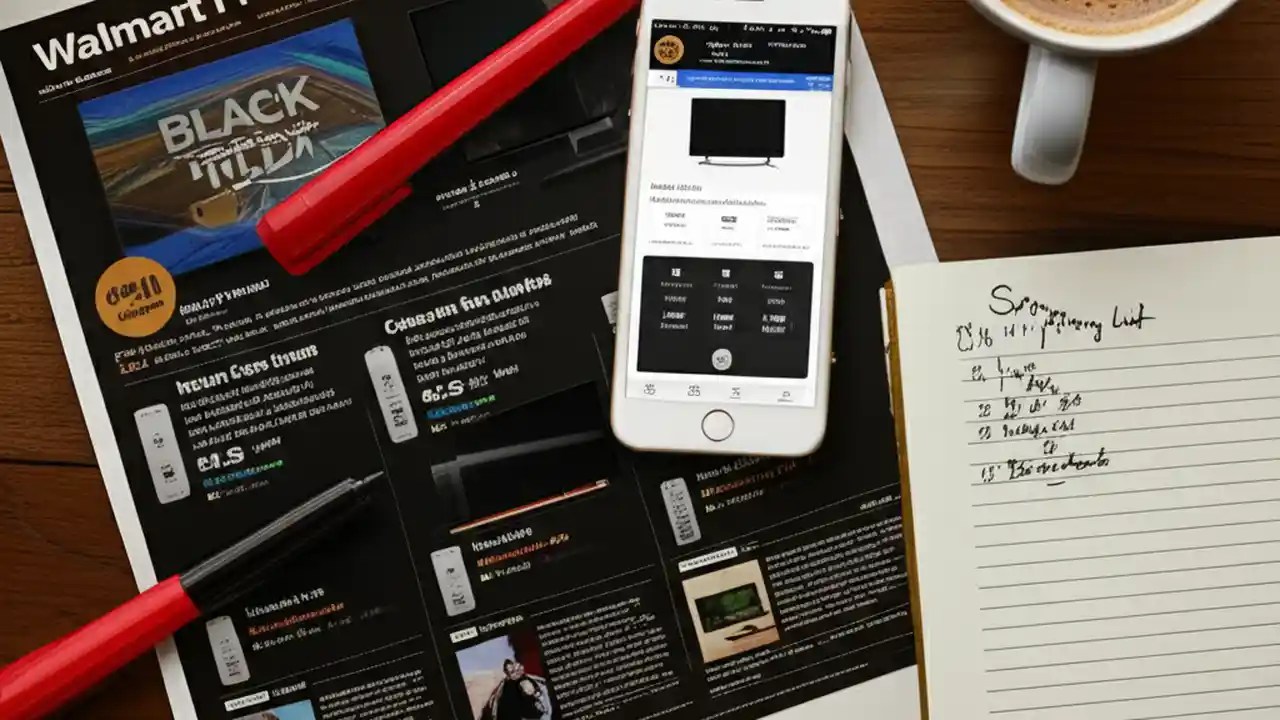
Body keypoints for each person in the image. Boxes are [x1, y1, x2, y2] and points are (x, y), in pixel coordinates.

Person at [479, 658, 553, 720]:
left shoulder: (533, 680)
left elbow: (544, 699)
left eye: (516, 670)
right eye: (512, 672)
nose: (516, 673)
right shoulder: (505, 690)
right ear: (507, 674)